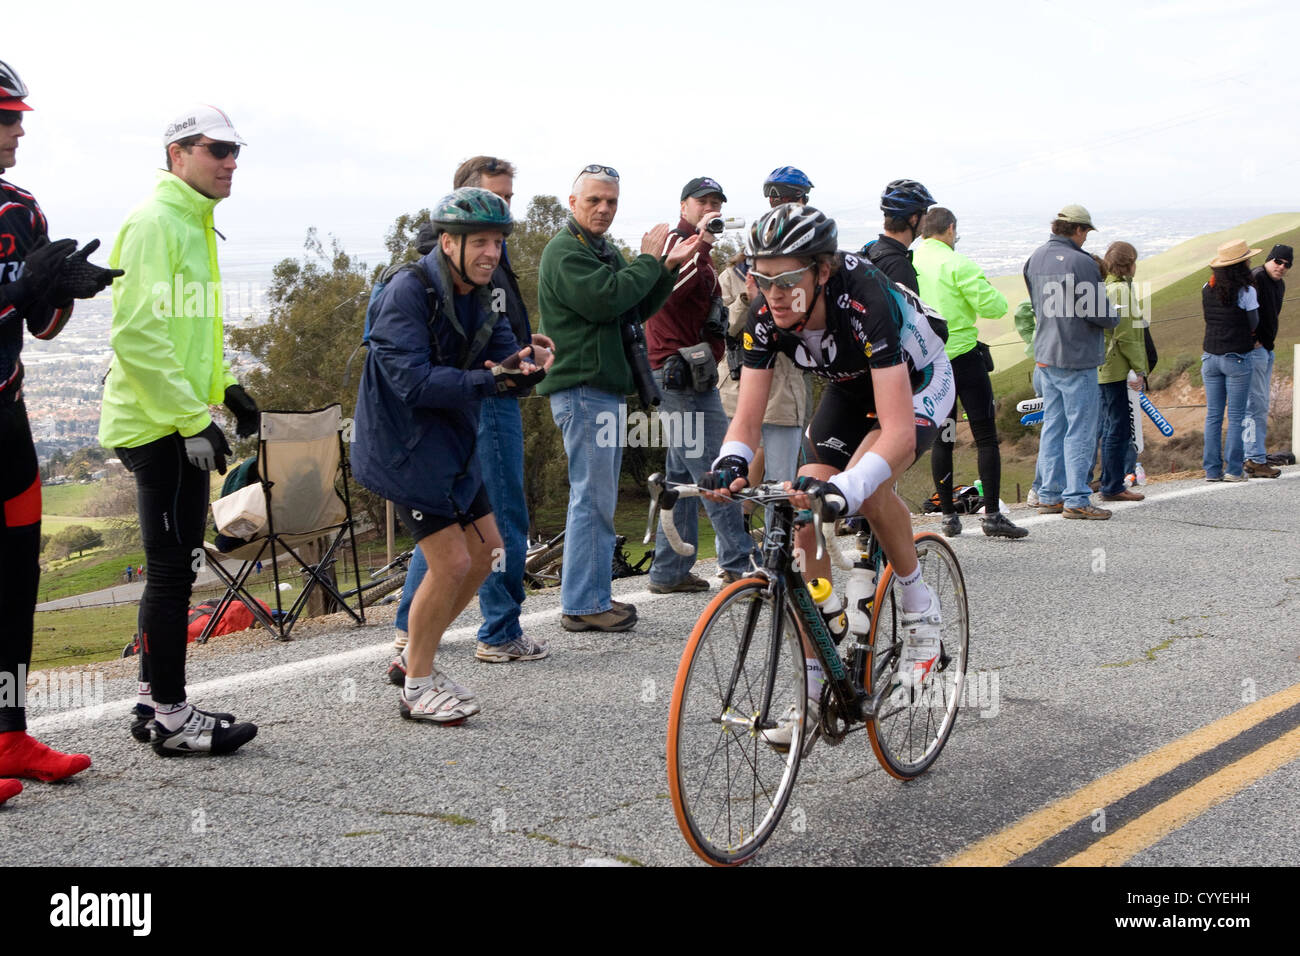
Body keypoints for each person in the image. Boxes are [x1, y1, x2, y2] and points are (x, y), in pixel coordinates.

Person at [704, 204, 955, 750]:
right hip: (849, 385)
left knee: (873, 484)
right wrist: (730, 460)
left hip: (918, 381)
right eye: (763, 277)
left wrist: (848, 488)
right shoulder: (763, 317)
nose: (774, 292)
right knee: (802, 503)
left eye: (788, 278)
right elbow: (746, 421)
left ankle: (920, 609)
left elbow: (897, 436)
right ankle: (816, 683)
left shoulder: (863, 299)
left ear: (822, 270)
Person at [354, 188, 550, 724]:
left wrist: (529, 364)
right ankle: (416, 683)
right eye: (480, 242)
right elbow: (411, 382)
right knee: (452, 561)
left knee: (487, 553)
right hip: (406, 447)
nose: (492, 252)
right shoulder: (408, 291)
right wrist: (490, 378)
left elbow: (502, 362)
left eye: (498, 242)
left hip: (454, 442)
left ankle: (416, 662)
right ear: (448, 242)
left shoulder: (487, 291)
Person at [100, 105, 259, 756]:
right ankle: (171, 717)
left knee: (174, 567)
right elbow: (138, 337)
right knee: (172, 572)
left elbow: (190, 331)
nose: (230, 163)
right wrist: (196, 421)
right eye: (217, 150)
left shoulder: (194, 223)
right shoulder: (155, 223)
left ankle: (150, 702)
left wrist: (226, 390)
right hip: (158, 427)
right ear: (178, 154)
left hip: (177, 421)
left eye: (235, 153)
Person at [0, 59, 114, 792]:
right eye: (7, 120)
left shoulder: (21, 208)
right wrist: (18, 283)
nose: (16, 134)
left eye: (17, 120)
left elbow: (41, 327)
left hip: (6, 421)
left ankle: (8, 737)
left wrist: (64, 290)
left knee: (15, 584)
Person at [536, 165, 700, 632]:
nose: (604, 209)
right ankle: (585, 604)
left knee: (597, 498)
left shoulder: (598, 251)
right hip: (583, 392)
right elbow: (607, 300)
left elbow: (632, 308)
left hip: (600, 392)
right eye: (594, 201)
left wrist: (664, 269)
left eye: (611, 201)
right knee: (593, 499)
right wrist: (649, 261)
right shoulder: (566, 252)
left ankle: (589, 598)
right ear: (572, 203)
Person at [645, 178, 755, 592]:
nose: (711, 209)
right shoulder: (679, 242)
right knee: (715, 470)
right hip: (678, 375)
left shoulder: (699, 247)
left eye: (717, 203)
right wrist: (704, 243)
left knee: (680, 477)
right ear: (683, 205)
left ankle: (669, 570)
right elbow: (669, 291)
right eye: (703, 202)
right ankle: (739, 564)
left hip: (693, 372)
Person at [912, 206, 1026, 538]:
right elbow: (996, 306)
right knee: (985, 437)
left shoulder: (912, 262)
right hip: (963, 357)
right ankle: (992, 515)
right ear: (949, 229)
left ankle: (948, 516)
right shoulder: (957, 263)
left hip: (930, 363)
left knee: (943, 439)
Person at [1023, 204, 1119, 519]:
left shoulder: (1034, 257)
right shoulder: (1081, 262)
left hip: (1045, 354)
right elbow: (1098, 312)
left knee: (1054, 425)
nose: (1085, 239)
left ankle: (1050, 495)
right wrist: (1114, 316)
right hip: (1076, 356)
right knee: (1081, 428)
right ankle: (1077, 498)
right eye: (1086, 233)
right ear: (1078, 230)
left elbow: (1036, 304)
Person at [717, 251, 805, 486]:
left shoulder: (799, 278)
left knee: (781, 483)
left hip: (783, 395)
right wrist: (747, 301)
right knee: (731, 478)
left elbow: (800, 331)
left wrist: (763, 304)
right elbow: (724, 328)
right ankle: (741, 522)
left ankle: (777, 524)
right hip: (737, 392)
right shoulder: (729, 278)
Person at [1199, 239, 1262, 483]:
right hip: (1236, 357)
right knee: (1235, 416)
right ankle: (1234, 470)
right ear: (1241, 265)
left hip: (1210, 356)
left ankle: (1212, 470)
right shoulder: (1246, 291)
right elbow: (1253, 322)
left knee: (1213, 416)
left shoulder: (1207, 287)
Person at [1097, 241, 1148, 502]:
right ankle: (1113, 485)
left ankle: (1110, 482)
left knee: (1110, 426)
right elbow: (1127, 334)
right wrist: (1140, 368)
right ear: (1128, 264)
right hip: (1114, 367)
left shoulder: (1107, 286)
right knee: (1118, 427)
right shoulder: (1120, 291)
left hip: (1104, 365)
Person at [1245, 244, 1290, 478]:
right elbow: (1243, 310)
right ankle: (1253, 458)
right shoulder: (1257, 277)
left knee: (1257, 405)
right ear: (1270, 259)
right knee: (1256, 405)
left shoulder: (1278, 283)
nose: (1281, 267)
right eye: (1278, 261)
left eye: (1286, 264)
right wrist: (1252, 338)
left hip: (1266, 349)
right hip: (1255, 351)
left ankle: (1254, 457)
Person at [860, 179, 935, 294]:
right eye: (925, 212)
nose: (927, 218)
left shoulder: (871, 249)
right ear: (914, 219)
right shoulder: (899, 267)